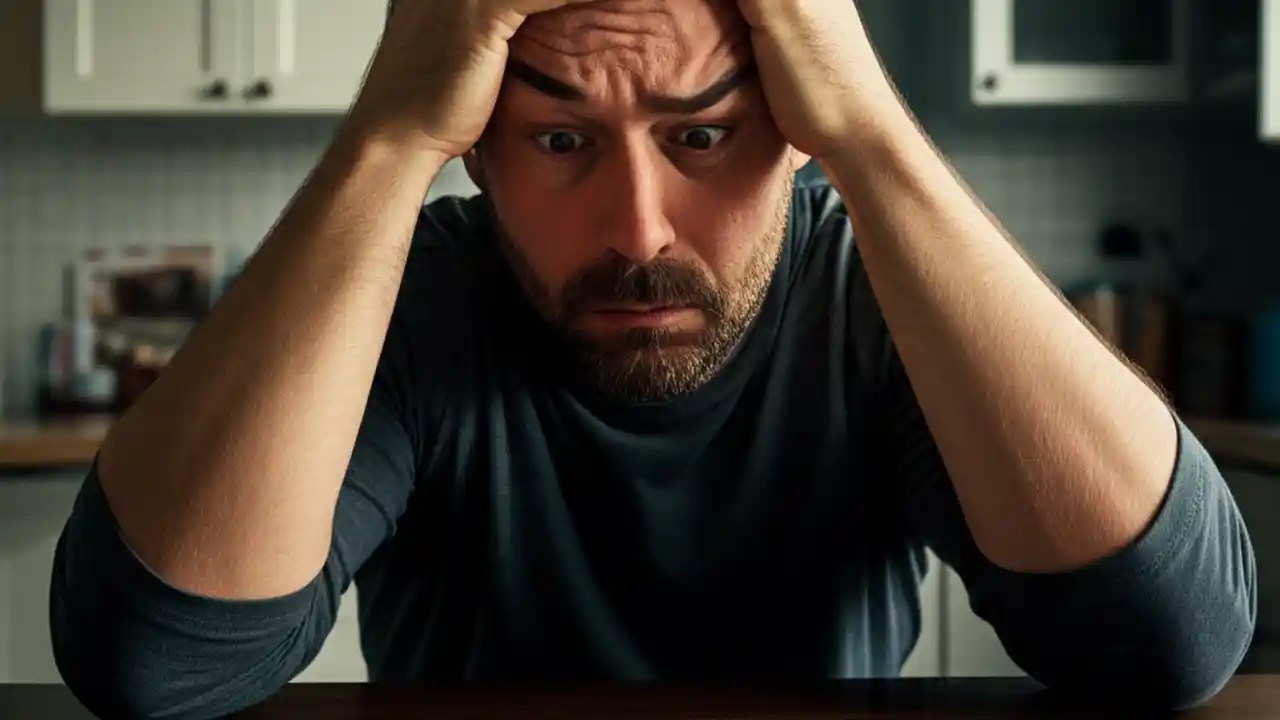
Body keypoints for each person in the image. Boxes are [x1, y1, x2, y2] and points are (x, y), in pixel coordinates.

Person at [50, 0, 1256, 717]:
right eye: (561, 137)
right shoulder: (411, 299)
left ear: (794, 131)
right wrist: (386, 134)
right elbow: (156, 669)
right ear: (476, 148)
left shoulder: (872, 293)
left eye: (705, 133)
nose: (636, 230)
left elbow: (1171, 646)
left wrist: (872, 135)